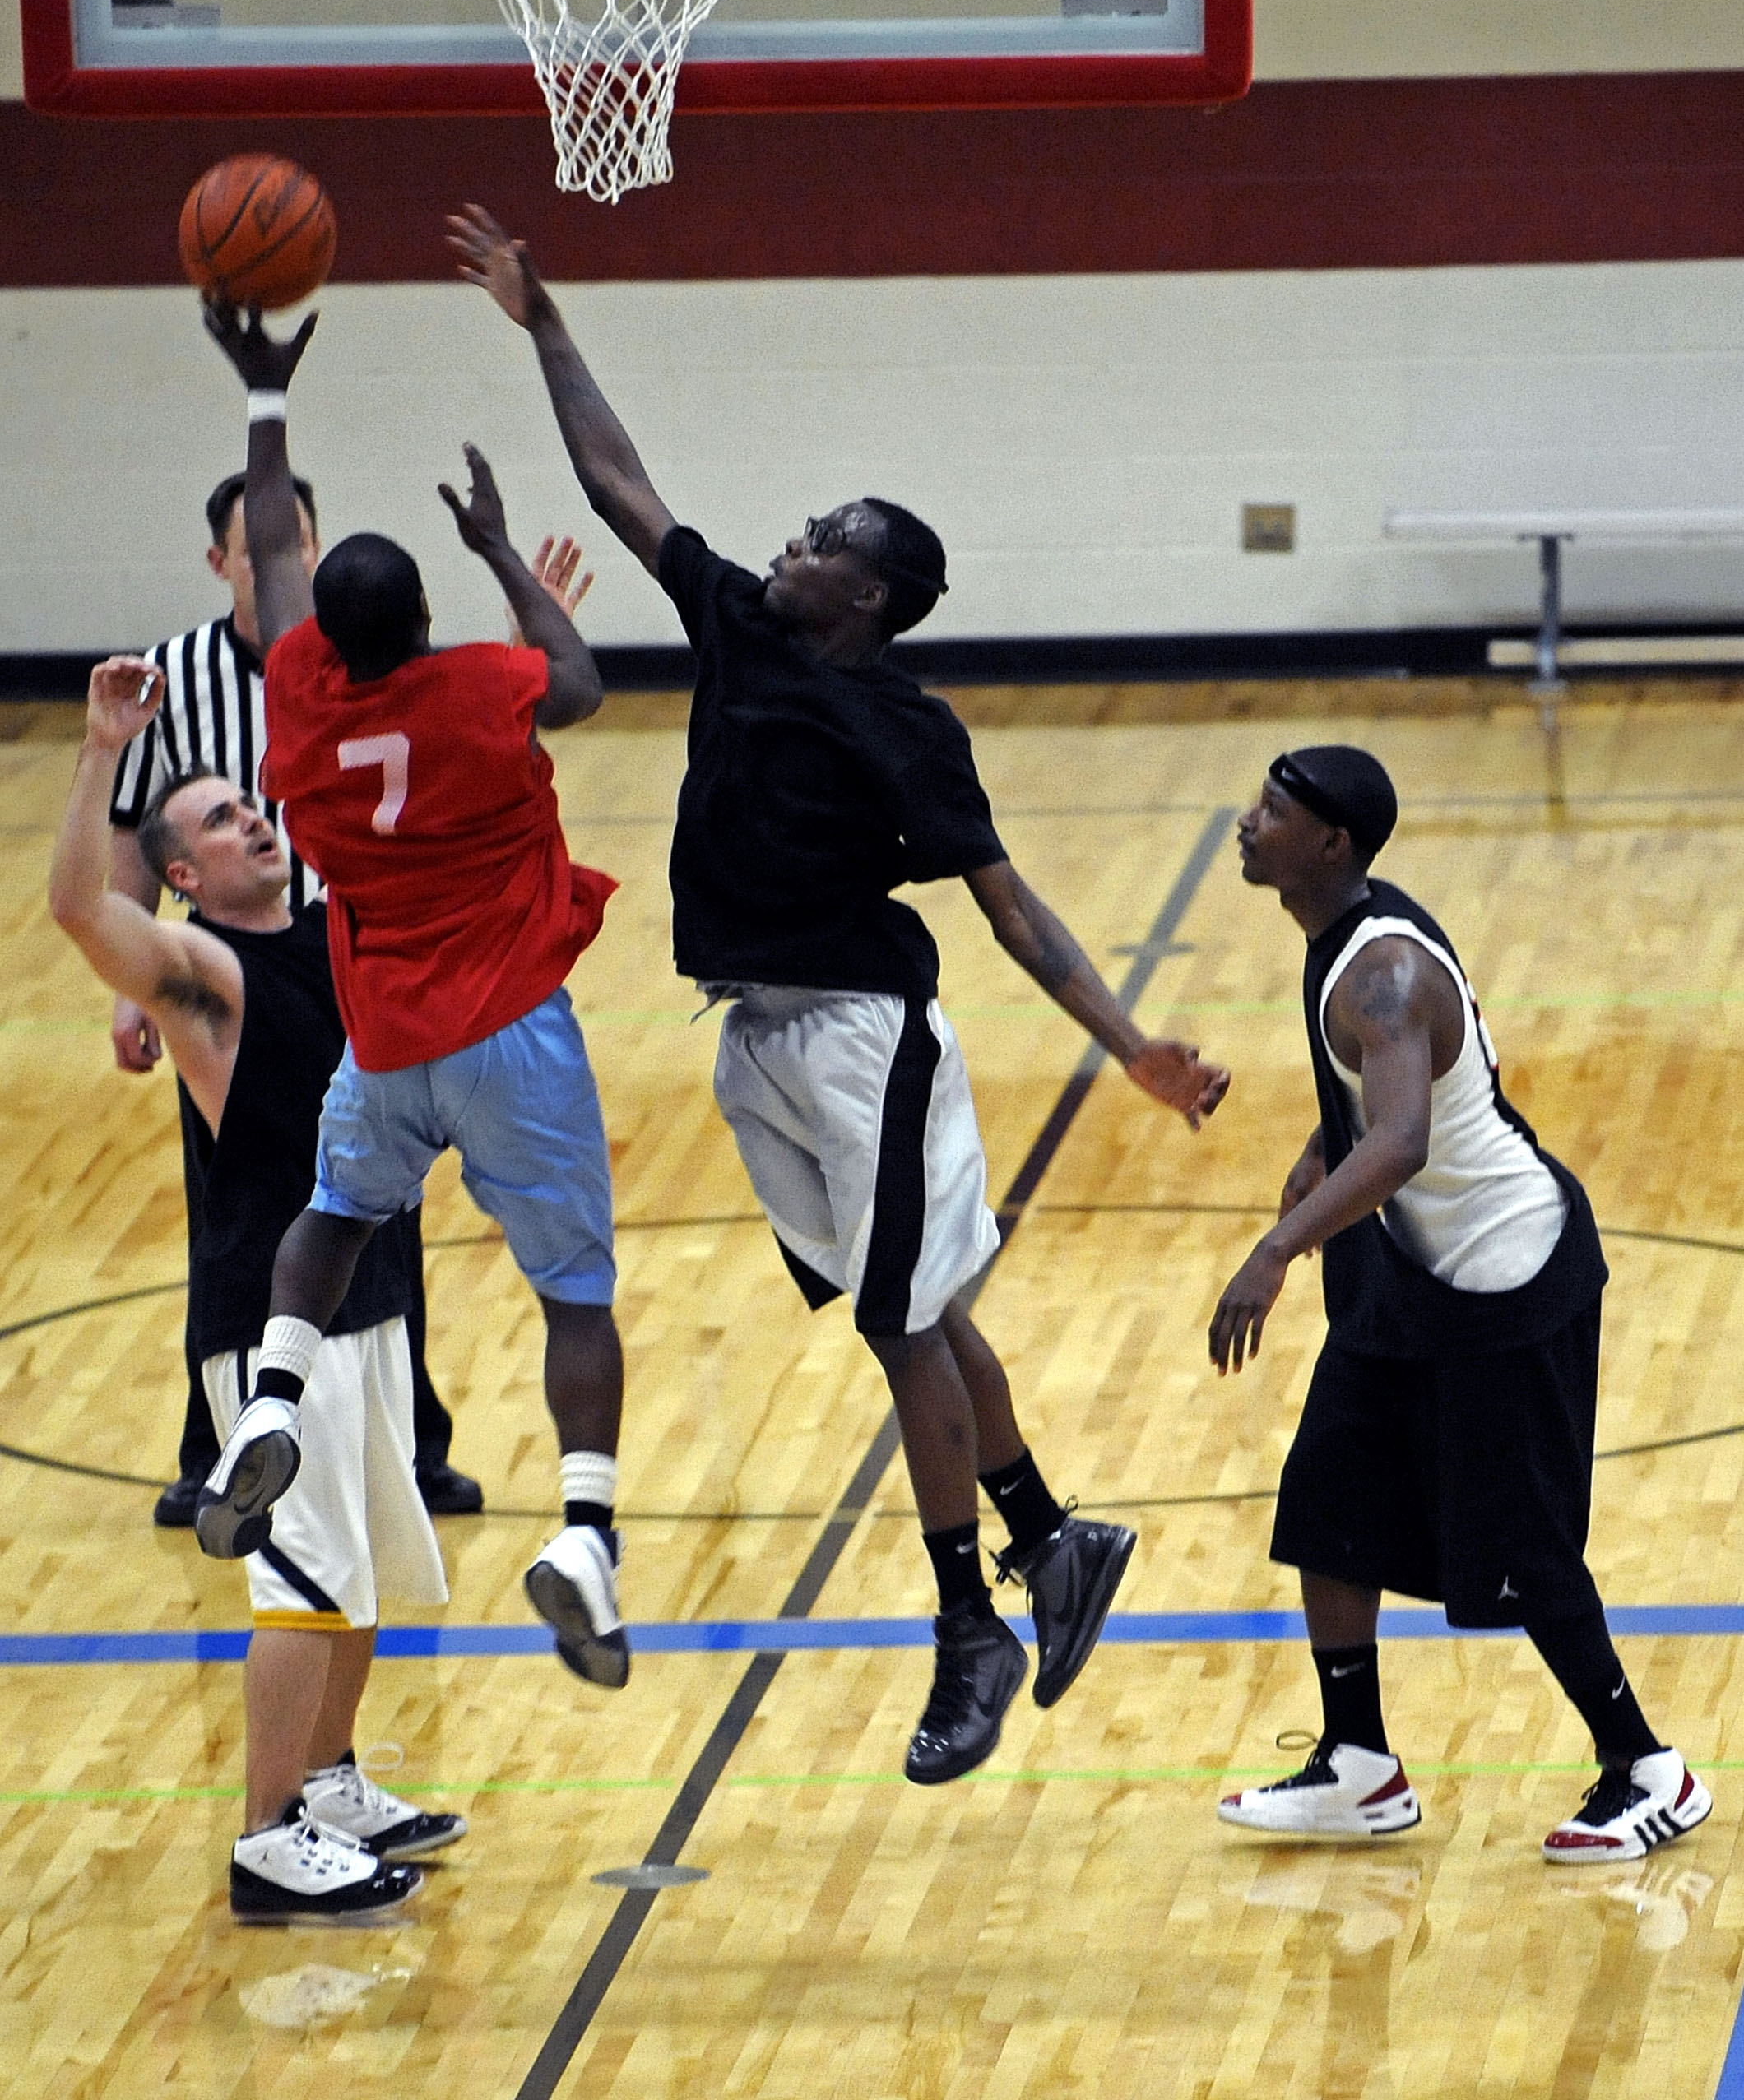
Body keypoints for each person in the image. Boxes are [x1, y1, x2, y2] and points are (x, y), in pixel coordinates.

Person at [447, 202, 1231, 1785]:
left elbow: (1011, 911)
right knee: (922, 1314)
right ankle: (1053, 1539)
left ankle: (971, 1626)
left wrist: (1130, 1044)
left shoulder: (907, 725)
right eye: (800, 529)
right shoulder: (739, 623)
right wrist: (543, 320)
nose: (788, 540)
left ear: (866, 597)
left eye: (821, 538)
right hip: (755, 1031)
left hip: (868, 1027)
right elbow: (619, 478)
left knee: (899, 1321)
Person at [191, 304, 633, 1694]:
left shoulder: (299, 698)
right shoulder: (478, 691)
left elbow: (271, 548)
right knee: (575, 1294)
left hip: (383, 1036)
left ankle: (270, 1396)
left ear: (319, 630)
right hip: (511, 1029)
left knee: (327, 1218)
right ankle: (585, 1530)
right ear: (429, 624)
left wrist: (266, 393)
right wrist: (503, 543)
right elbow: (579, 681)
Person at [1210, 744, 1709, 1865]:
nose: (1245, 824)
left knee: (1521, 1541)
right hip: (1412, 1275)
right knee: (1330, 1492)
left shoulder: (1377, 971)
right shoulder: (1348, 935)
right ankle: (1357, 1766)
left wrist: (1278, 1248)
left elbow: (1402, 1136)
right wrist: (1312, 1156)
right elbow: (1387, 1092)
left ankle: (1648, 1766)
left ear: (1332, 844)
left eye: (1271, 812)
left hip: (1501, 1279)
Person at [52, 657, 465, 1921]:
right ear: (184, 873)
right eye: (222, 820)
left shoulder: (331, 936)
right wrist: (98, 757)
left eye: (251, 805)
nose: (252, 822)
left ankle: (330, 1783)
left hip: (373, 1294)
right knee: (302, 1581)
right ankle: (265, 1840)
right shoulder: (207, 979)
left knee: (366, 1572)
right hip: (275, 1325)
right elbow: (79, 912)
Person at [107, 468, 482, 1526]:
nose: (286, 556)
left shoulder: (349, 656)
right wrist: (130, 990)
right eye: (265, 541)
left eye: (301, 539)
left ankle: (412, 1435)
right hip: (226, 972)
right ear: (220, 559)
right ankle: (214, 1440)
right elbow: (136, 831)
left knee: (387, 1203)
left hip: (343, 953)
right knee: (232, 1210)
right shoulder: (174, 672)